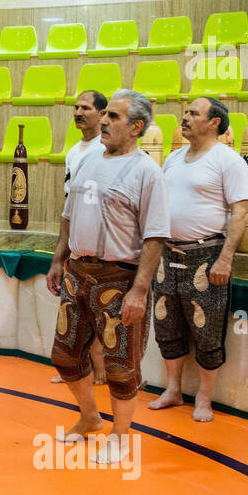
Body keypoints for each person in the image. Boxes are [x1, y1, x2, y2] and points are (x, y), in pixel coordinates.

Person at [46, 90, 170, 463]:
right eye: (106, 116)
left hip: (119, 279)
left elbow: (156, 235)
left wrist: (139, 290)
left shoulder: (147, 172)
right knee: (64, 356)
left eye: (113, 117)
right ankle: (89, 418)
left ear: (136, 127)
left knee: (119, 364)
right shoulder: (88, 161)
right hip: (77, 273)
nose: (103, 122)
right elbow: (69, 216)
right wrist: (58, 261)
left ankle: (121, 435)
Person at [147, 97, 248, 423]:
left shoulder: (228, 160)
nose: (186, 117)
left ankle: (204, 398)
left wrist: (226, 258)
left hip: (207, 258)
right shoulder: (174, 158)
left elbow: (241, 211)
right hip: (168, 254)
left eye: (194, 113)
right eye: (186, 112)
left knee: (207, 331)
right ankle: (173, 389)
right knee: (167, 325)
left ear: (214, 122)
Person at [49, 90, 109, 386]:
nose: (78, 112)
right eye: (75, 107)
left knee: (101, 311)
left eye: (85, 108)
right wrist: (59, 256)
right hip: (76, 244)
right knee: (74, 314)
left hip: (103, 248)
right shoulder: (74, 152)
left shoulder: (106, 148)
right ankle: (76, 367)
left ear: (102, 114)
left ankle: (101, 366)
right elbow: (68, 206)